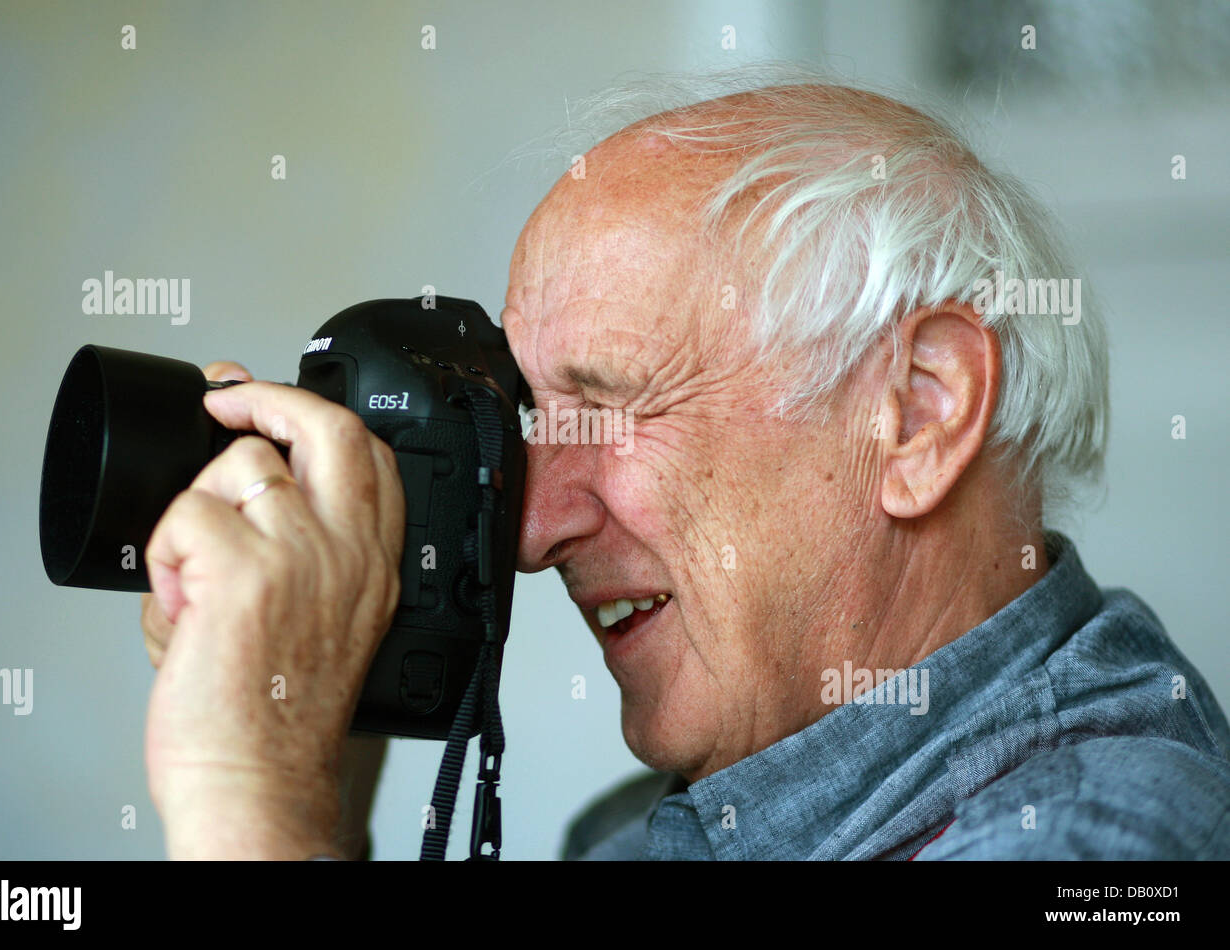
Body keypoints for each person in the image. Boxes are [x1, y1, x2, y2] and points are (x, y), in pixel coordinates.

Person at [139, 79, 1230, 860]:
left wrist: (245, 804)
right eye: (530, 418)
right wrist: (320, 793)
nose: (530, 531)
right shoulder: (654, 822)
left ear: (916, 413)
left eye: (608, 401)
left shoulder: (1106, 831)